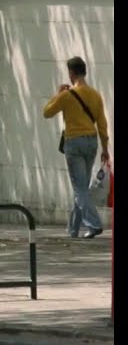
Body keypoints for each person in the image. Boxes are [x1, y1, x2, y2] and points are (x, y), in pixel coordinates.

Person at [43, 56, 111, 238]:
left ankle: (94, 224)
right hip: (92, 142)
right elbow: (102, 125)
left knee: (79, 189)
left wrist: (58, 94)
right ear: (84, 72)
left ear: (71, 73)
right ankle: (73, 229)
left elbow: (47, 112)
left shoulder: (66, 96)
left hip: (74, 142)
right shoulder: (95, 95)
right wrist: (105, 149)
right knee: (82, 187)